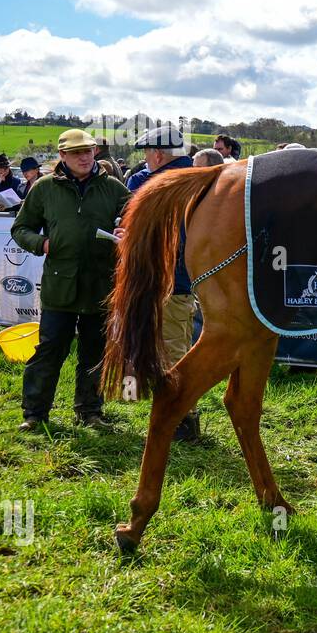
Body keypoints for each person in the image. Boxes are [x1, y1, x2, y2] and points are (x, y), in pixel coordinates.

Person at [11, 129, 130, 431]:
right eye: (76, 152)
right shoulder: (44, 188)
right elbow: (21, 228)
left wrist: (127, 232)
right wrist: (42, 244)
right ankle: (34, 414)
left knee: (94, 352)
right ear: (62, 156)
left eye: (88, 151)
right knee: (50, 350)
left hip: (100, 284)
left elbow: (135, 219)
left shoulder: (114, 188)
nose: (84, 157)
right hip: (59, 285)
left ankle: (90, 411)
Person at [127, 127, 201, 440]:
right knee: (177, 346)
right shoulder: (196, 178)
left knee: (172, 350)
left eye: (147, 154)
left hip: (170, 280)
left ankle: (181, 421)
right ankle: (182, 417)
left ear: (158, 154)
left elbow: (175, 238)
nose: (145, 160)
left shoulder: (168, 184)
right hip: (182, 281)